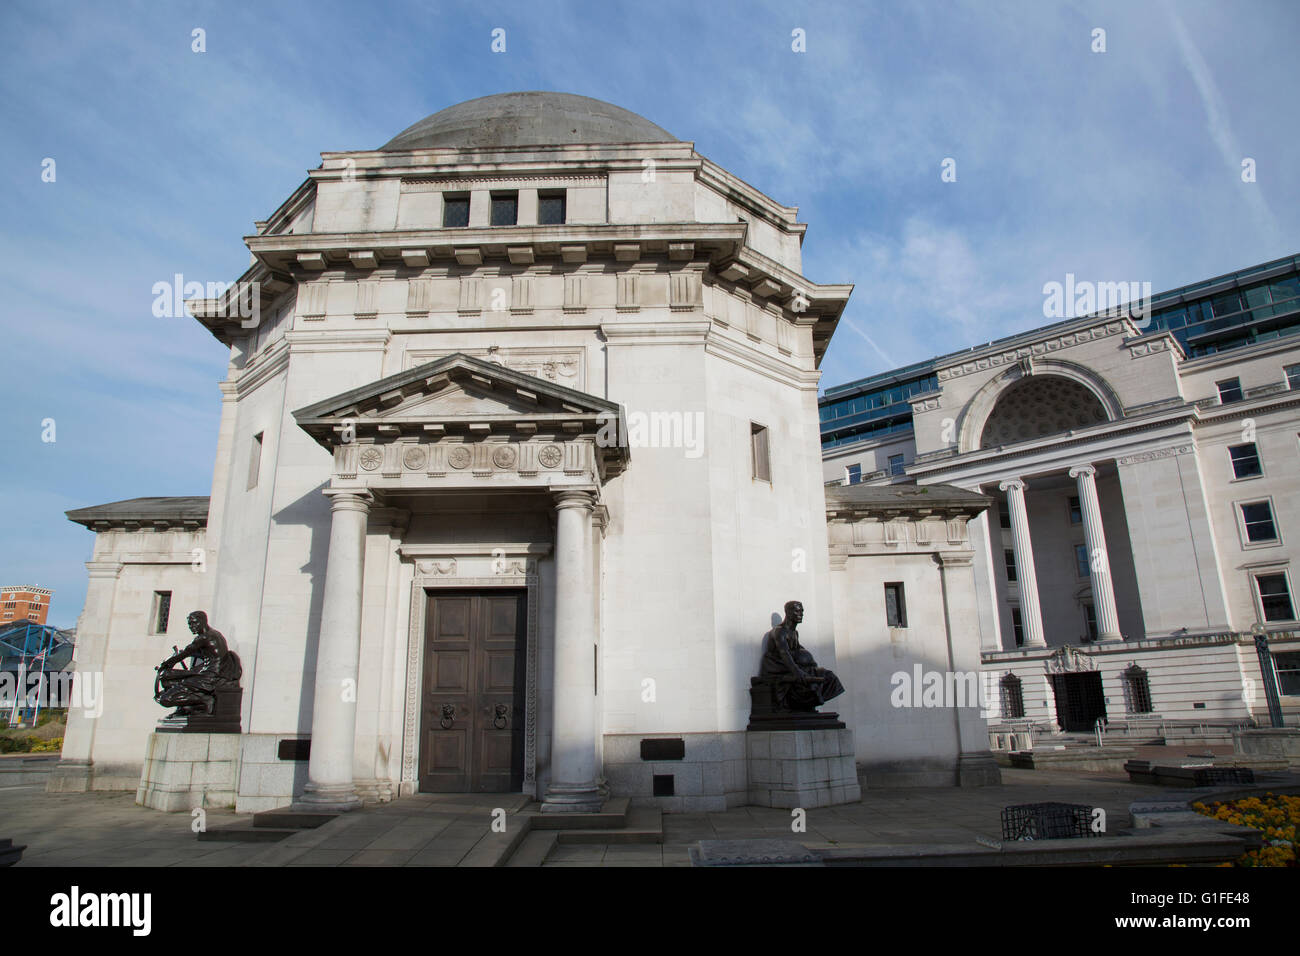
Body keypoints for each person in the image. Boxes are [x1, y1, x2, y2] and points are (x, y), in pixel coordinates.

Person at [759, 600, 844, 711]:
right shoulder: (779, 631)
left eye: (802, 611)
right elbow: (784, 653)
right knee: (810, 683)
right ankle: (807, 701)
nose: (801, 614)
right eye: (797, 611)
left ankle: (811, 701)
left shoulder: (794, 633)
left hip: (796, 666)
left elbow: (798, 649)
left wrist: (810, 662)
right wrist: (798, 672)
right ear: (788, 612)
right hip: (779, 668)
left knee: (829, 676)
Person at [154, 611, 241, 717]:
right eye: (190, 624)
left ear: (203, 621)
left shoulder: (203, 638)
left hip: (209, 677)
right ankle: (186, 706)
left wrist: (166, 663)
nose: (192, 626)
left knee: (165, 698)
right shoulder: (216, 634)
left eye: (194, 623)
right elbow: (209, 653)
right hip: (212, 673)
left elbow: (184, 654)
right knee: (173, 678)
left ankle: (204, 701)